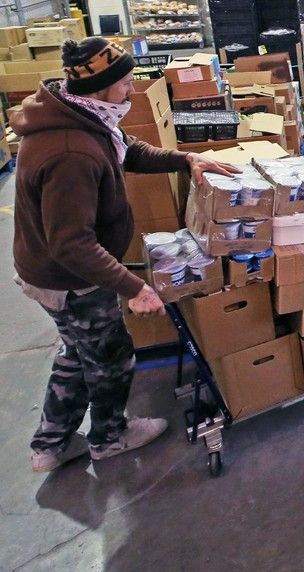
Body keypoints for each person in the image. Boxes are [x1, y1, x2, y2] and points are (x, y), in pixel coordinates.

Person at [11, 37, 238, 473]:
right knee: (112, 358)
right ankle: (110, 438)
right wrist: (134, 287)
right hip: (68, 278)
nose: (132, 90)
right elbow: (71, 244)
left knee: (79, 351)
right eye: (126, 83)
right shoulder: (69, 152)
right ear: (100, 88)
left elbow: (127, 149)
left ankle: (50, 445)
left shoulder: (81, 115)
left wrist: (186, 160)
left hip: (55, 270)